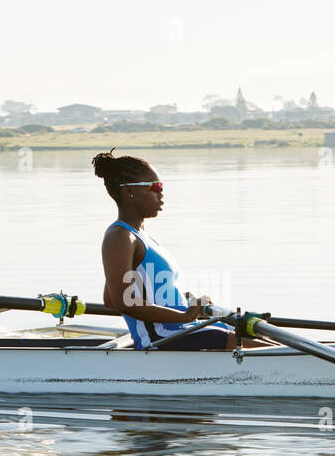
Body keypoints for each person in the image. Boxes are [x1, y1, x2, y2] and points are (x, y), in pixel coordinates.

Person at [93, 149, 269, 350]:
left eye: (161, 186)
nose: (161, 192)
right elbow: (123, 302)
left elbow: (112, 299)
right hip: (162, 338)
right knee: (265, 347)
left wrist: (181, 301)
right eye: (154, 186)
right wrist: (185, 314)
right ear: (128, 191)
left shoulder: (141, 237)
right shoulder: (120, 236)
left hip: (182, 329)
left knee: (266, 339)